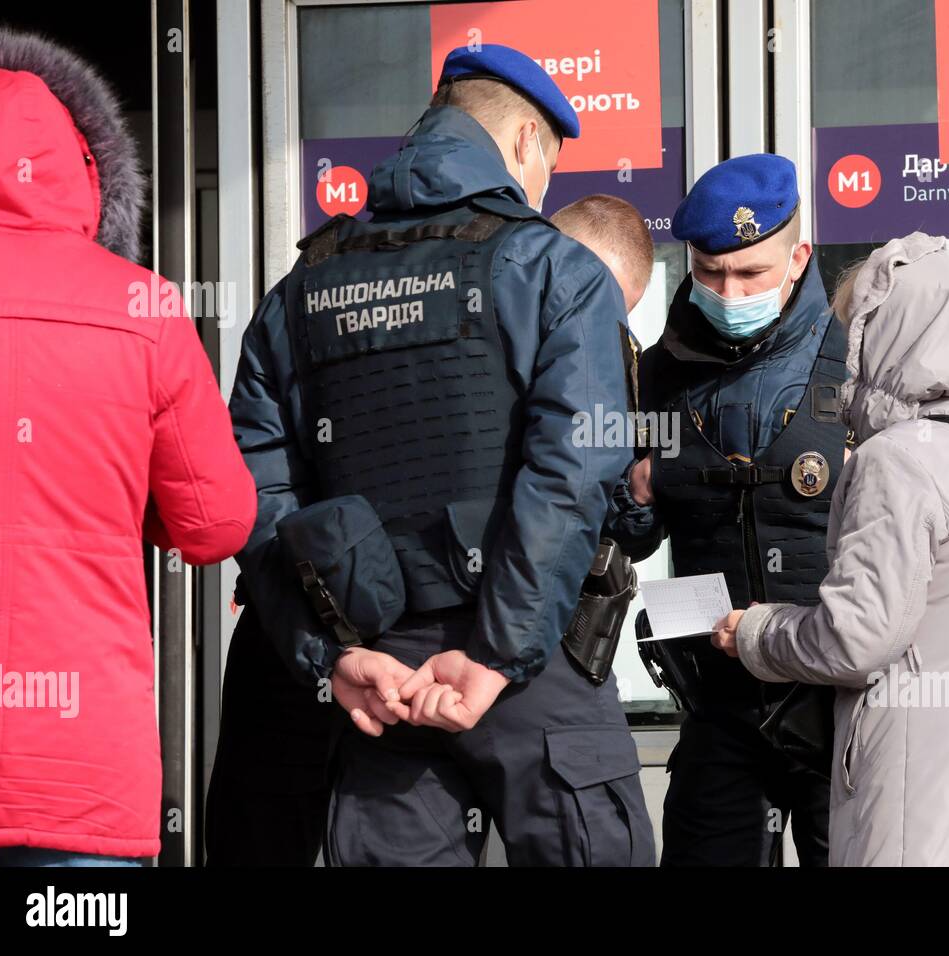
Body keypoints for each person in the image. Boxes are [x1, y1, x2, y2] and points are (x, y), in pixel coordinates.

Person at [228, 43, 654, 867]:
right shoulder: (553, 270)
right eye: (548, 171)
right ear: (526, 143)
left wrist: (336, 656)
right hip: (531, 671)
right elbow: (572, 473)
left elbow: (255, 492)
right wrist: (499, 651)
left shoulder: (301, 289)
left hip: (380, 679)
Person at [713, 232, 949, 866]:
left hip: (925, 804)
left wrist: (757, 632)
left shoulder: (898, 460)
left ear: (881, 340)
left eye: (848, 343)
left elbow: (856, 638)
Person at [0, 29, 256, 866]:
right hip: (80, 750)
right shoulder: (143, 308)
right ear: (89, 172)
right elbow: (218, 524)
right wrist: (122, 497)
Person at [606, 154, 838, 867]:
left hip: (842, 698)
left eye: (751, 274)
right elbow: (633, 538)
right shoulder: (661, 373)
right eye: (709, 273)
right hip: (719, 700)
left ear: (797, 258)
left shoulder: (857, 358)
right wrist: (637, 493)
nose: (729, 291)